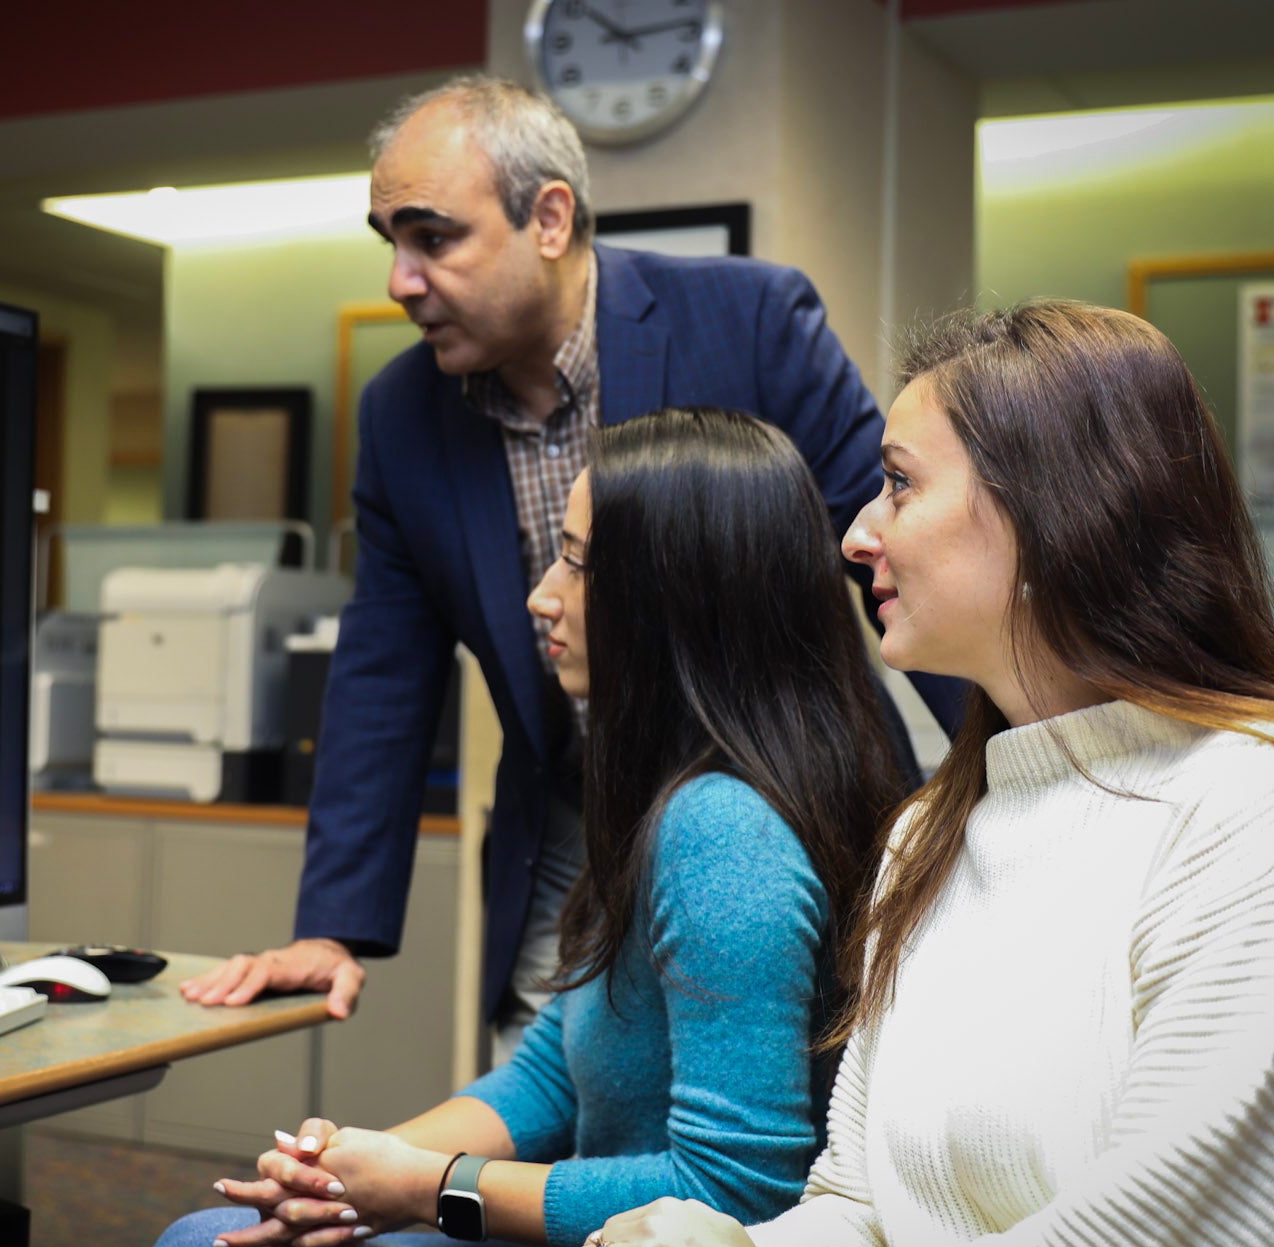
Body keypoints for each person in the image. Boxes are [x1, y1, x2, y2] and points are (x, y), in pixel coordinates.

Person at [513, 300, 1274, 1247]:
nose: (857, 532)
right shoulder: (934, 833)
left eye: (899, 484)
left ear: (1058, 511)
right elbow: (853, 1206)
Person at [180, 74, 962, 1048]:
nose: (399, 281)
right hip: (573, 820)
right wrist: (331, 926)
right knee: (544, 1086)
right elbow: (383, 666)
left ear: (548, 218)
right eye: (391, 245)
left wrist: (1015, 773)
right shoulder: (398, 415)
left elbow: (895, 550)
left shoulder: (748, 321)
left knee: (790, 1106)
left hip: (782, 807)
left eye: (433, 238)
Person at [130, 409, 912, 1247]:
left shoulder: (725, 830)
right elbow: (553, 1066)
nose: (543, 596)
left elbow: (735, 1189)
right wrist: (341, 1174)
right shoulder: (676, 790)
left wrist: (426, 1186)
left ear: (672, 594)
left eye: (578, 564)